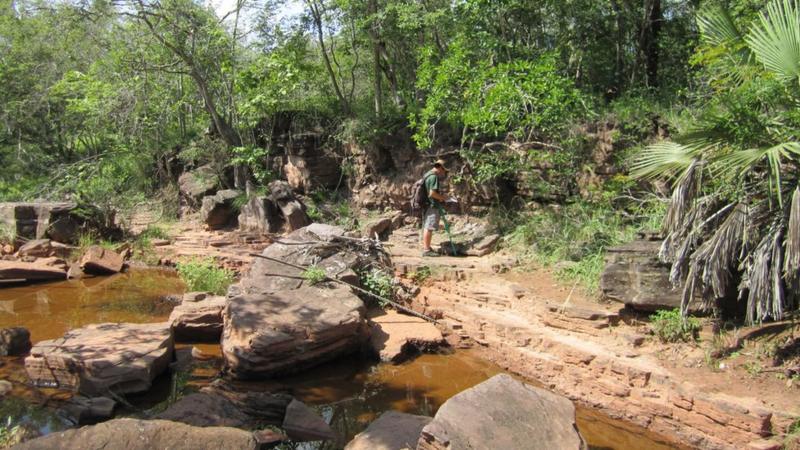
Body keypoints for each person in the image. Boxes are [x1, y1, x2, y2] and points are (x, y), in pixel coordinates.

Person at [422, 159, 450, 257]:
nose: (444, 173)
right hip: (432, 205)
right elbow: (432, 193)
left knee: (427, 226)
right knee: (429, 227)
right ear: (440, 168)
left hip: (427, 204)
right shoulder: (434, 177)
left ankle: (427, 247)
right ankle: (426, 250)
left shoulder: (427, 174)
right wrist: (443, 198)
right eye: (444, 170)